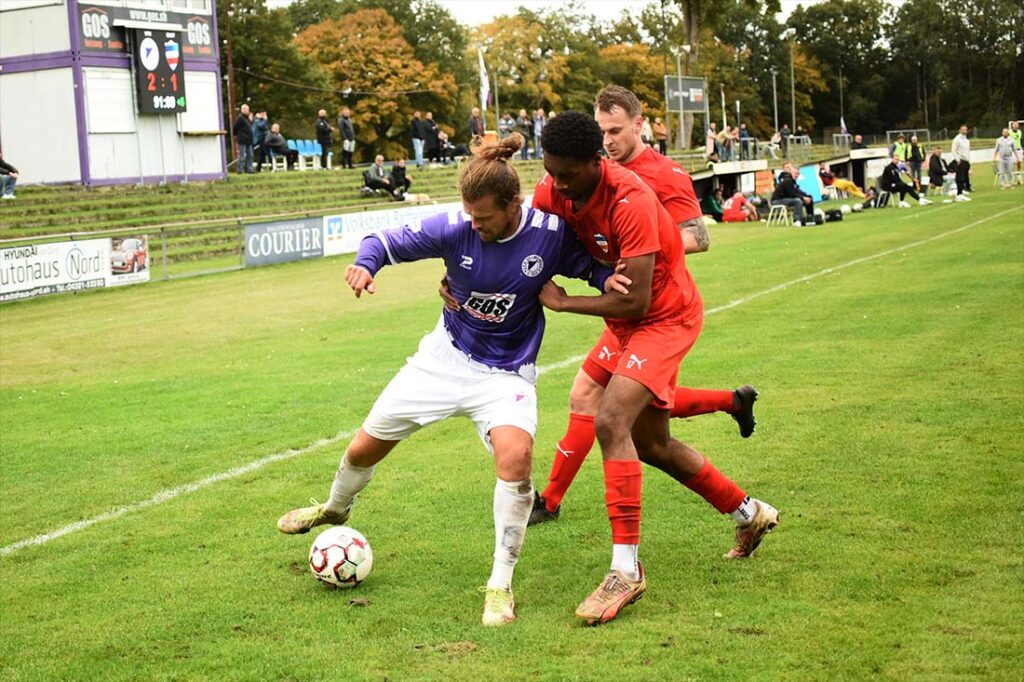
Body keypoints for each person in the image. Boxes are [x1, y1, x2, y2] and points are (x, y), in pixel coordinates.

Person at [276, 133, 628, 627]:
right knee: (362, 449)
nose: (474, 225)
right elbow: (383, 241)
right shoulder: (456, 227)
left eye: (484, 218)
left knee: (517, 457)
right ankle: (335, 508)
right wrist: (364, 265)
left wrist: (604, 279)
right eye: (470, 216)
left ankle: (500, 584)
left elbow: (586, 263)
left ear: (513, 205)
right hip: (444, 359)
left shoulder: (549, 234)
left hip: (506, 372)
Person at [533, 111, 779, 625]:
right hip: (625, 321)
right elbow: (524, 245)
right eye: (551, 172)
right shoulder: (553, 189)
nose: (559, 185)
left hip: (665, 317)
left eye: (568, 175)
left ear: (595, 161)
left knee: (610, 420)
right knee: (652, 446)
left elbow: (637, 300)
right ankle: (749, 511)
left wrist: (566, 302)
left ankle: (626, 570)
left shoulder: (633, 200)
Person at [951, 125, 972, 201]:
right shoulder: (957, 139)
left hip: (966, 161)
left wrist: (969, 161)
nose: (964, 131)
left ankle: (961, 193)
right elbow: (953, 150)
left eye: (965, 130)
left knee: (964, 178)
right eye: (963, 130)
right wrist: (957, 160)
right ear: (959, 130)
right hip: (960, 160)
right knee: (960, 178)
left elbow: (967, 152)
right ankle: (959, 194)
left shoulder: (966, 140)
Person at [233, 104, 253, 173]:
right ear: (243, 110)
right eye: (247, 109)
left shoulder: (247, 118)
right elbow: (235, 127)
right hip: (242, 139)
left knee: (250, 155)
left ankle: (249, 169)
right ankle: (240, 169)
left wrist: (251, 120)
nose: (248, 111)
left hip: (249, 139)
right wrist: (237, 135)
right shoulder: (240, 118)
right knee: (241, 155)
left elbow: (249, 127)